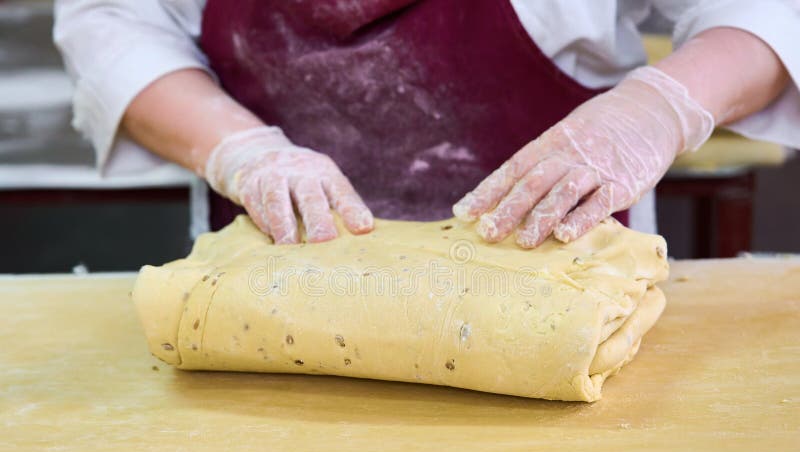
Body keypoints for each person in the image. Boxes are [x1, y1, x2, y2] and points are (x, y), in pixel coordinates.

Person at [54, 1, 799, 247]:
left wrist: (655, 111)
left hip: (562, 255)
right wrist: (243, 151)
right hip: (280, 258)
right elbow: (113, 20)